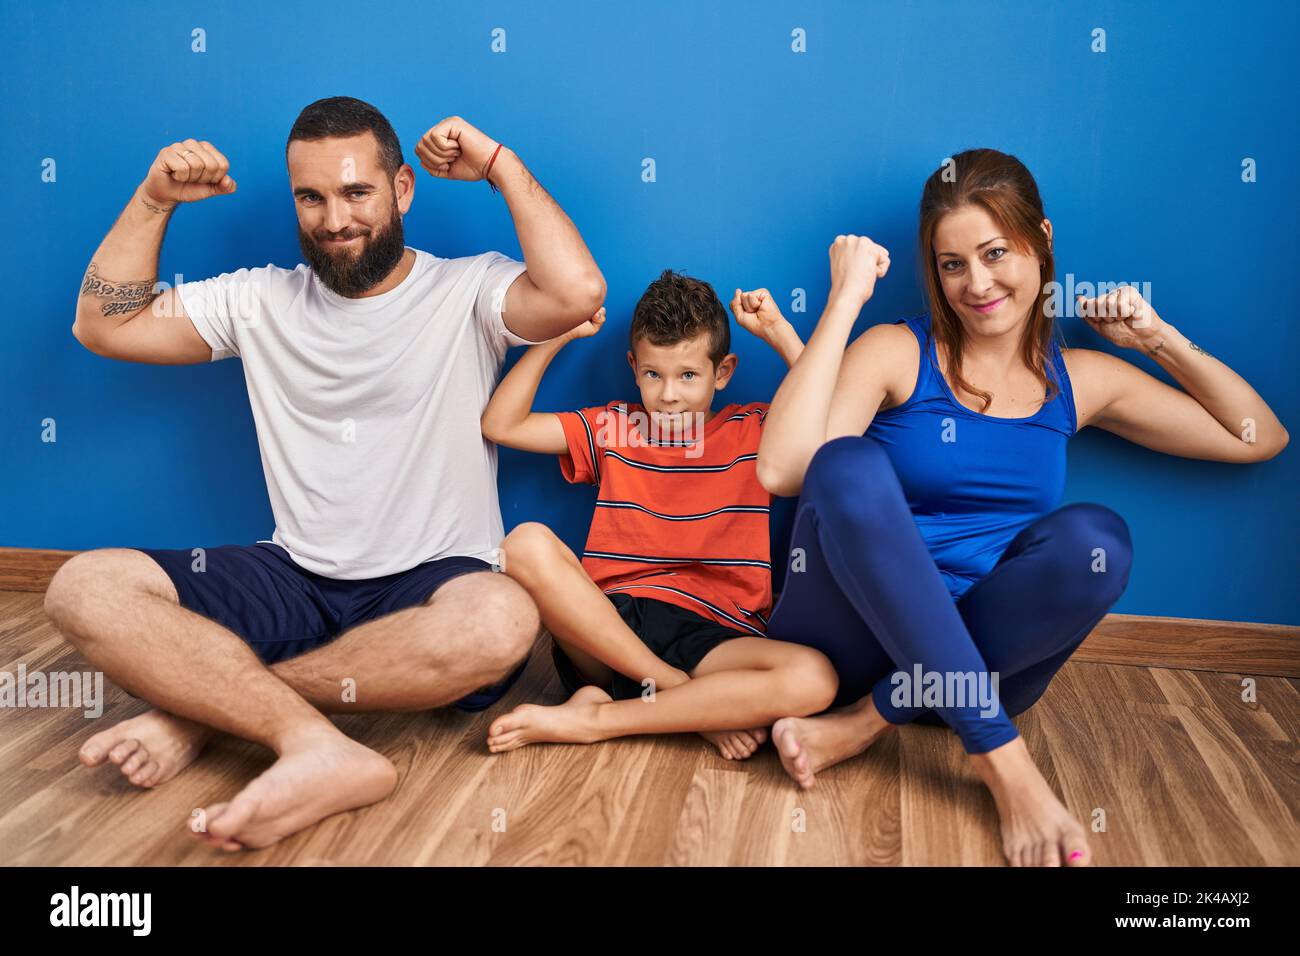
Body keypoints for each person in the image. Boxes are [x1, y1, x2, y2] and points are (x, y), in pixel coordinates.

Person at [44, 96, 606, 851]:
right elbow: (103, 325)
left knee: (503, 618)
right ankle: (316, 744)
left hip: (437, 581)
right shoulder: (257, 299)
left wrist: (499, 166)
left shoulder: (469, 290)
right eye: (311, 197)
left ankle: (205, 711)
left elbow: (578, 294)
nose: (334, 219)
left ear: (403, 189)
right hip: (295, 577)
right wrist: (152, 202)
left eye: (356, 192)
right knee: (82, 586)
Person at [755, 148, 1289, 867]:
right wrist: (845, 299)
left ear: (1041, 239)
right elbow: (785, 468)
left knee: (1099, 540)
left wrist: (1156, 339)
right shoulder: (893, 351)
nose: (977, 283)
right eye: (952, 265)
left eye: (995, 252)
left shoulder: (1083, 381)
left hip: (984, 656)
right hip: (843, 642)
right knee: (846, 465)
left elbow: (1256, 437)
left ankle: (867, 722)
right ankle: (1002, 760)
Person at [480, 271, 837, 758]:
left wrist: (779, 333)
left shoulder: (755, 429)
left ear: (723, 371)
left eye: (688, 375)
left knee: (814, 678)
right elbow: (502, 424)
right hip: (610, 630)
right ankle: (679, 698)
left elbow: (835, 432)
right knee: (522, 545)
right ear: (634, 367)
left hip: (716, 632)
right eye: (653, 374)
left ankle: (600, 716)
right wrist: (558, 335)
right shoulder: (615, 427)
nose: (669, 395)